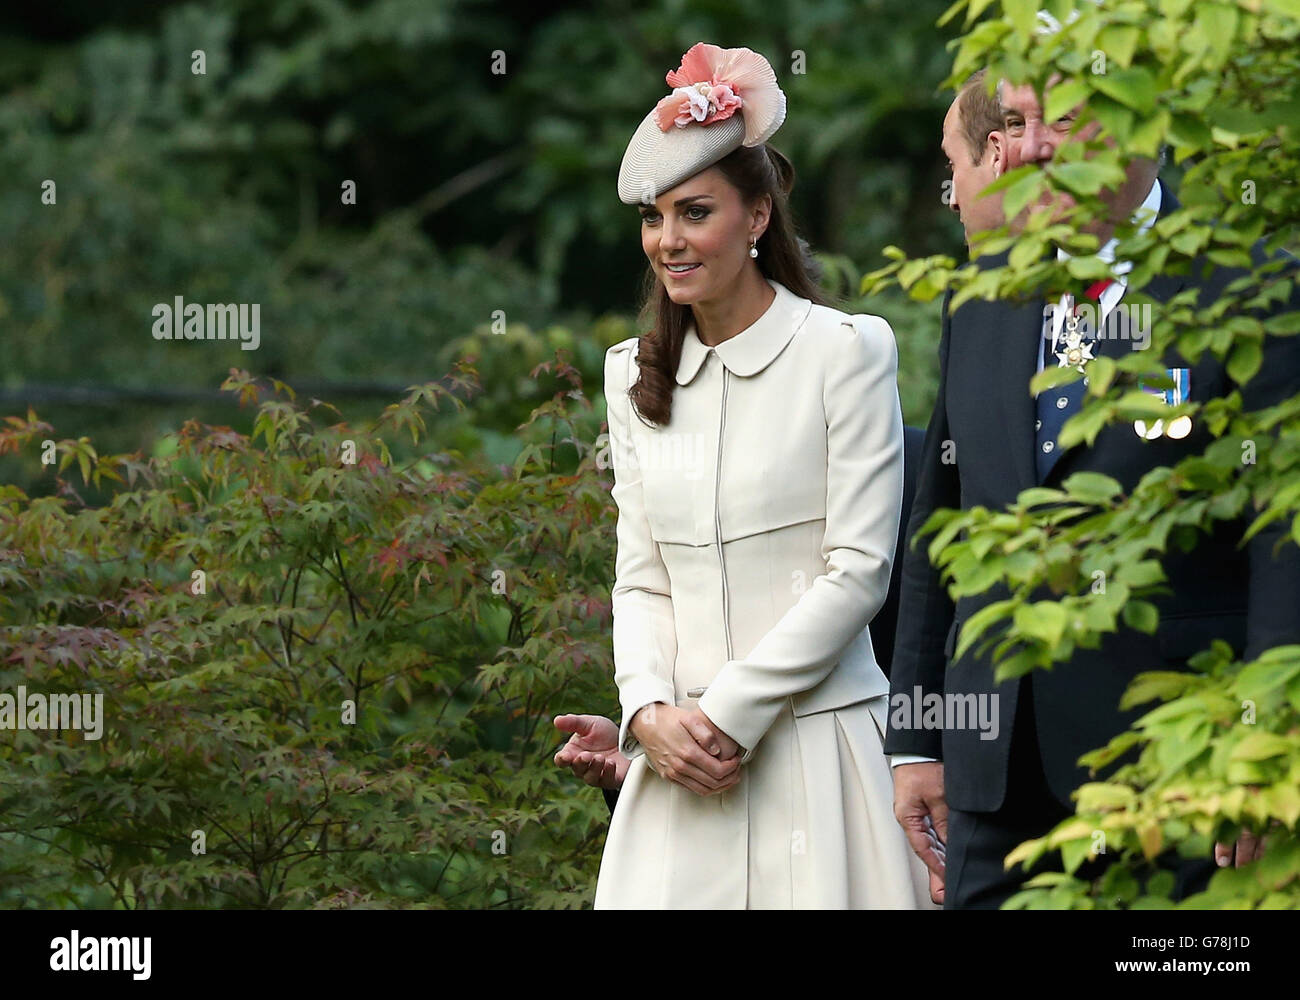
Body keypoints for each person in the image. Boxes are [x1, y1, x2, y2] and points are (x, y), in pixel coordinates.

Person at [885, 68, 1300, 909]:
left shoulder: (1253, 289)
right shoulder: (985, 295)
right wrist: (918, 737)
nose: (1032, 148)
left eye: (1063, 121)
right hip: (996, 775)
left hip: (1179, 774)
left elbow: (1282, 538)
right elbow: (943, 527)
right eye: (1016, 122)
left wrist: (1263, 748)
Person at [590, 41, 931, 909]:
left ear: (756, 217)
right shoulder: (630, 373)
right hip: (677, 772)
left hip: (820, 759)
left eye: (694, 212)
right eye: (653, 217)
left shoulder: (846, 352)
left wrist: (726, 715)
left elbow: (859, 571)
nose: (668, 241)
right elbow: (641, 578)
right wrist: (647, 715)